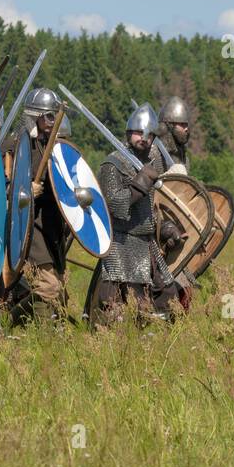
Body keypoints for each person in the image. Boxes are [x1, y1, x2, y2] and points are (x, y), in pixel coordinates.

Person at [94, 103, 169, 325]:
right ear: (128, 134)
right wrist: (139, 185)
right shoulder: (113, 164)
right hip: (120, 242)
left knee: (164, 297)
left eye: (148, 134)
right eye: (138, 132)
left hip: (146, 243)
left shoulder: (153, 163)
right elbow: (113, 205)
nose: (143, 138)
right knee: (113, 308)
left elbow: (158, 206)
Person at [5, 88, 72, 324]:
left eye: (54, 116)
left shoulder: (51, 146)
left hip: (51, 227)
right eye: (49, 116)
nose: (53, 122)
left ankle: (41, 332)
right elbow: (1, 186)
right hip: (29, 227)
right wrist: (21, 189)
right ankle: (12, 321)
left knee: (60, 289)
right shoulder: (16, 145)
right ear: (36, 116)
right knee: (49, 286)